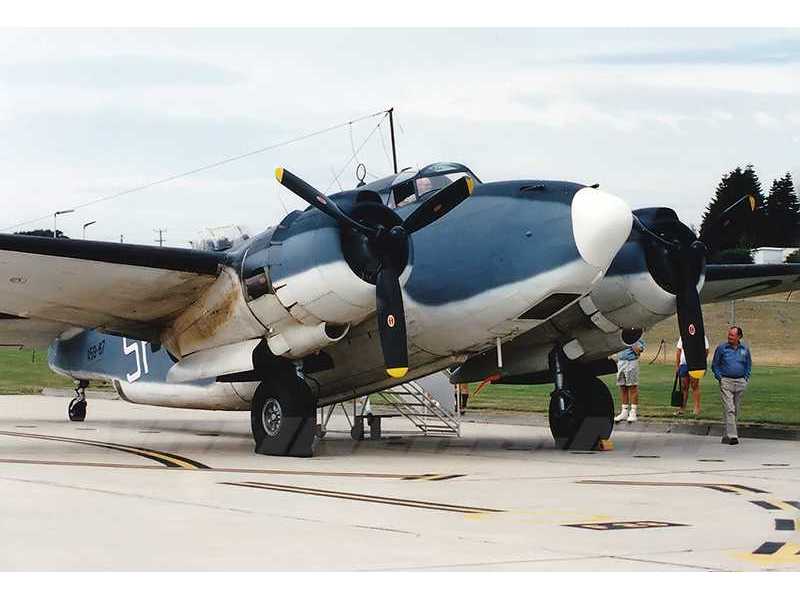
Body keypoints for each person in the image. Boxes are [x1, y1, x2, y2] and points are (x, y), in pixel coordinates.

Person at [711, 326, 752, 445]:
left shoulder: (745, 349)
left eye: (732, 335)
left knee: (736, 410)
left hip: (740, 382)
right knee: (730, 409)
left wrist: (746, 378)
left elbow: (748, 364)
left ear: (739, 336)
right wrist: (720, 378)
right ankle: (733, 436)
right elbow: (715, 365)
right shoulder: (721, 348)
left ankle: (726, 435)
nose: (729, 337)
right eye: (729, 334)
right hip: (726, 382)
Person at [675, 334, 710, 416]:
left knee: (694, 385)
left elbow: (706, 350)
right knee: (684, 386)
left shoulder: (701, 335)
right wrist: (677, 365)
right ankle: (682, 408)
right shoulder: (683, 335)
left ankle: (697, 408)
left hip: (695, 365)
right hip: (684, 364)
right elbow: (678, 350)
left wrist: (700, 361)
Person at [614, 337, 646, 423]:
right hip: (620, 362)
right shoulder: (620, 335)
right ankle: (624, 411)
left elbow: (640, 349)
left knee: (632, 387)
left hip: (631, 362)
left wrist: (631, 341)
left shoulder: (636, 335)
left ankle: (633, 412)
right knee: (622, 387)